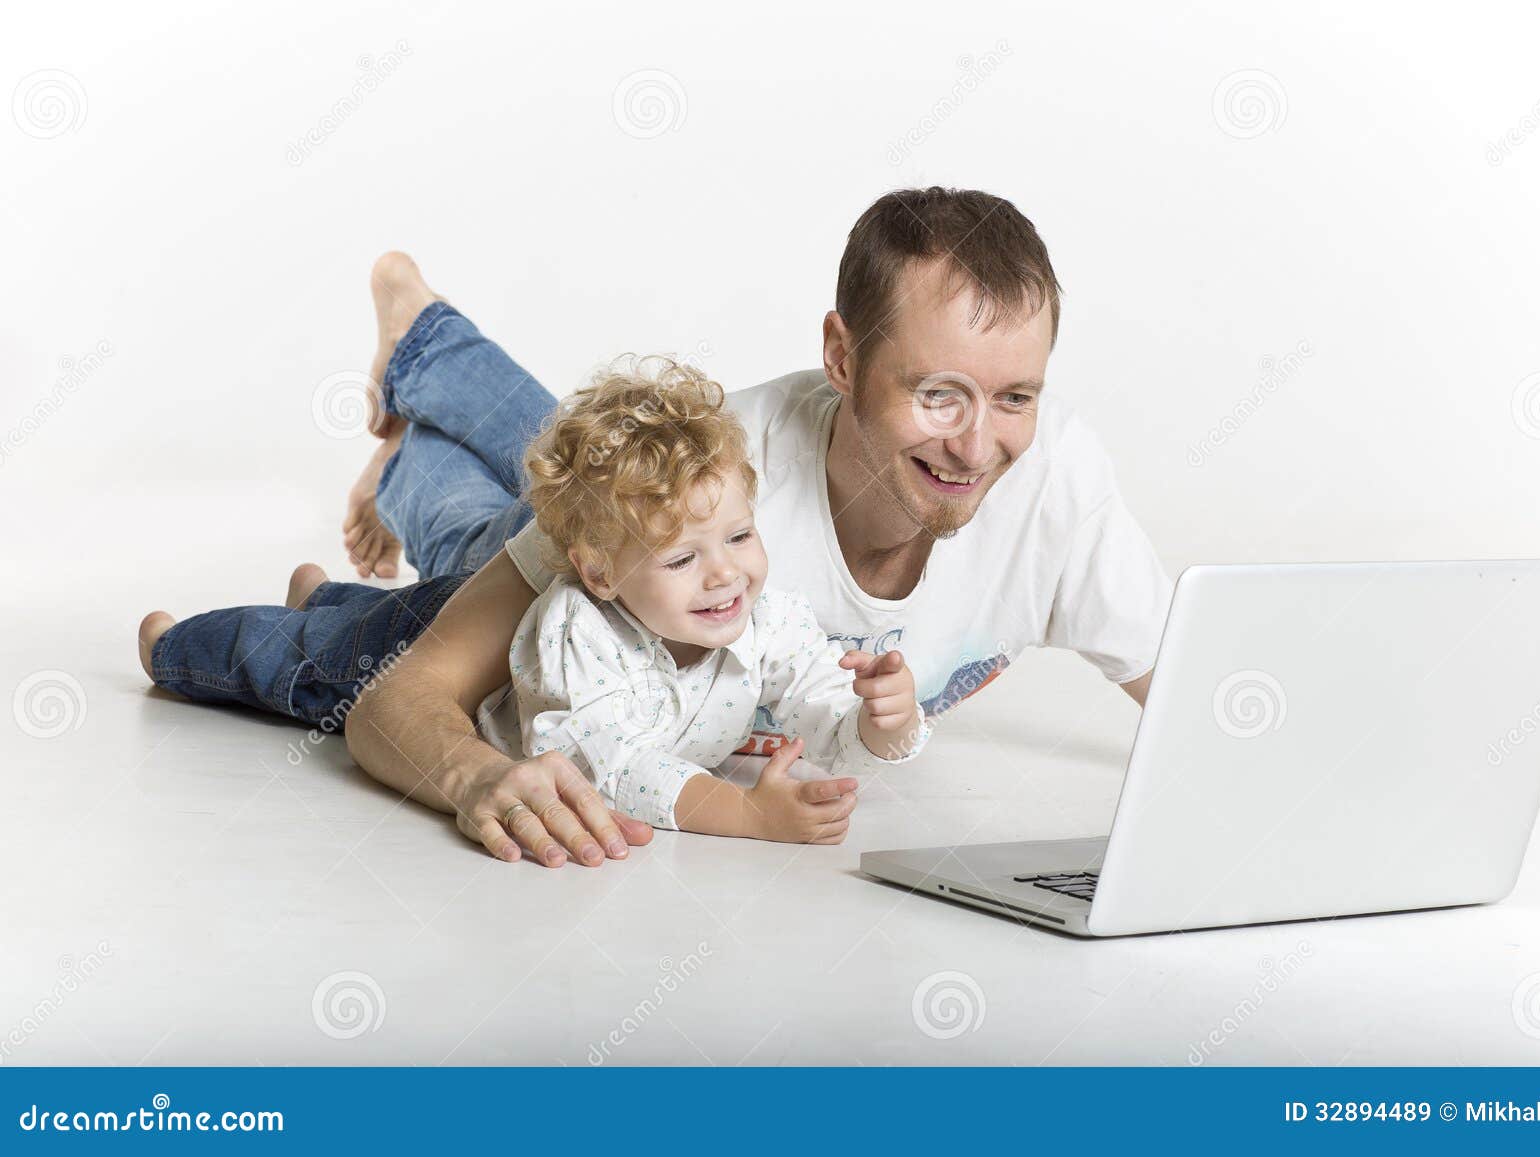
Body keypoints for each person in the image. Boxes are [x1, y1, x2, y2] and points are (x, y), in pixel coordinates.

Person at [141, 186, 1172, 869]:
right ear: (843, 356)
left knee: (555, 472)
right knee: (479, 550)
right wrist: (481, 777)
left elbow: (1207, 700)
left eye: (1015, 397)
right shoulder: (712, 484)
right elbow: (401, 698)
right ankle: (417, 386)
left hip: (612, 542)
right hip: (589, 586)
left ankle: (412, 412)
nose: (978, 445)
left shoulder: (1059, 486)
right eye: (937, 393)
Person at [139, 358, 928, 845]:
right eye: (683, 557)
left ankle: (324, 592)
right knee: (308, 657)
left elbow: (820, 707)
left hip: (446, 605)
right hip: (424, 670)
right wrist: (747, 814)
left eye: (740, 535)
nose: (726, 574)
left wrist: (878, 722)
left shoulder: (765, 616)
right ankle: (174, 645)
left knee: (355, 616)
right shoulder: (580, 632)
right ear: (600, 573)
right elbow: (612, 766)